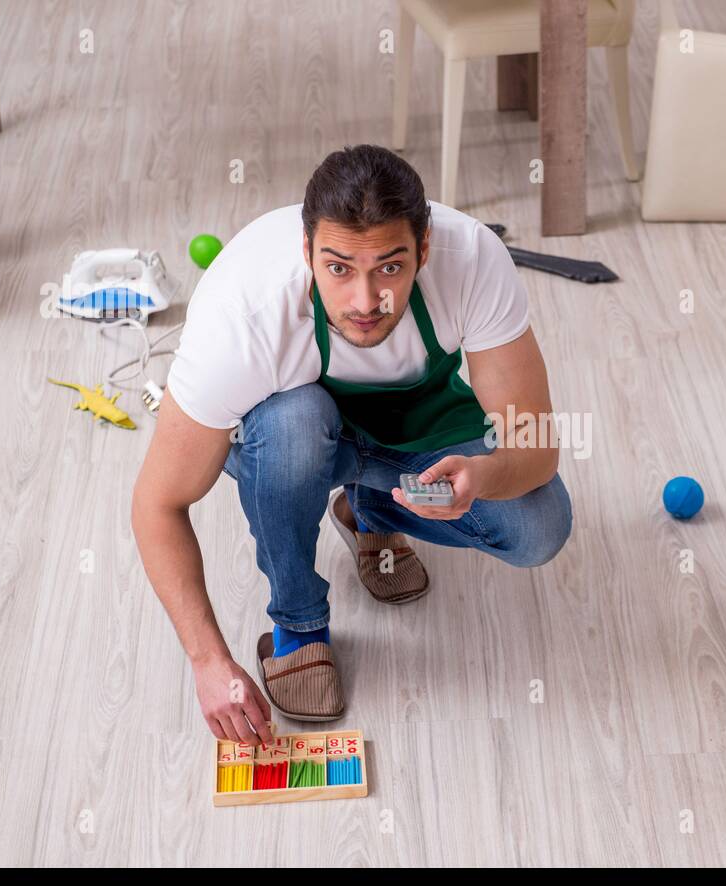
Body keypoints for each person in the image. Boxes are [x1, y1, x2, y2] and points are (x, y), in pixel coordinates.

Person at [131, 145, 571, 745]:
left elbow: (534, 445)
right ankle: (298, 623)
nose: (366, 303)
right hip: (294, 434)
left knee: (539, 524)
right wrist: (209, 662)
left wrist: (480, 477)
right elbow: (158, 504)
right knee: (294, 427)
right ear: (307, 252)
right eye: (338, 269)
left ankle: (366, 507)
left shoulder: (473, 259)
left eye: (390, 267)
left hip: (410, 427)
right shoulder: (243, 313)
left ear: (425, 249)